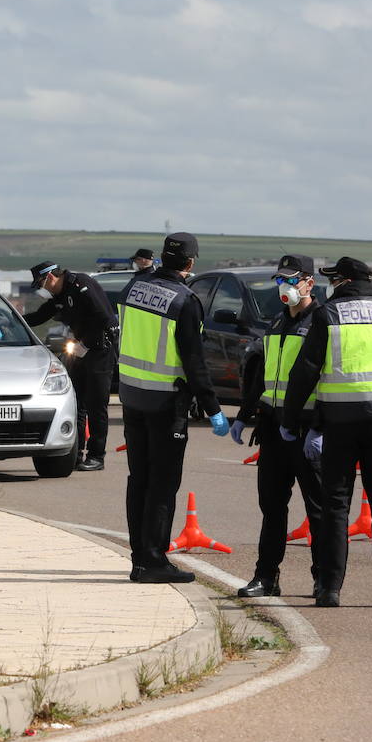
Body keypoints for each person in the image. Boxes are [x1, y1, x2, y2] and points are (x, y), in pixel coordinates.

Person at [283, 256, 372, 609]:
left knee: (335, 505)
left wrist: (290, 419)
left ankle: (330, 589)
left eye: (334, 280)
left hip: (340, 423)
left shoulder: (328, 314)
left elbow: (305, 373)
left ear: (344, 281)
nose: (331, 286)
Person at [117, 233, 227, 584]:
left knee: (139, 480)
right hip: (165, 402)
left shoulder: (134, 288)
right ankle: (153, 561)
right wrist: (212, 407)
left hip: (132, 396)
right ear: (191, 263)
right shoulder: (185, 301)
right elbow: (194, 361)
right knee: (163, 484)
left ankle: (140, 556)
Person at [233, 254, 325, 599]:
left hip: (305, 429)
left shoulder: (322, 322)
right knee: (271, 507)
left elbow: (328, 378)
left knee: (318, 509)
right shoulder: (276, 323)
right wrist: (244, 414)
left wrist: (319, 426)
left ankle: (323, 578)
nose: (284, 287)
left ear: (309, 283)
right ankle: (266, 576)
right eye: (280, 280)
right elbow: (262, 374)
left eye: (291, 280)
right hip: (273, 427)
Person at [24, 260, 118, 471]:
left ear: (50, 277)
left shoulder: (80, 285)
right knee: (77, 404)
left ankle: (97, 456)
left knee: (96, 406)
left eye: (41, 284)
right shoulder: (60, 295)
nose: (42, 289)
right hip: (79, 350)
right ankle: (75, 454)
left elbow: (104, 318)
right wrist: (14, 320)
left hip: (99, 350)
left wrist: (86, 344)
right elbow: (40, 316)